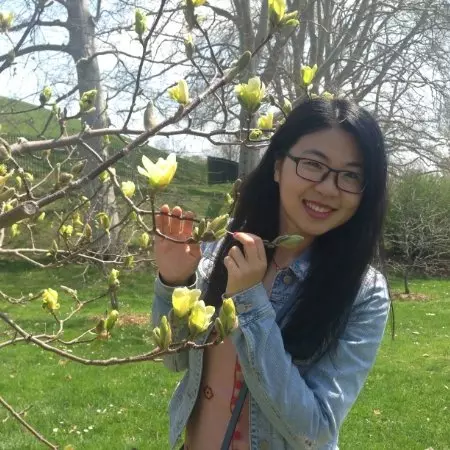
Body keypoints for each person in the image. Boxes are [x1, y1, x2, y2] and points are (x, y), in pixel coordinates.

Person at [152, 97, 391, 450]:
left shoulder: (363, 293)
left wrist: (250, 302)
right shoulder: (220, 252)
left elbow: (316, 429)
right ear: (278, 166)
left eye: (351, 175)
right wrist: (174, 282)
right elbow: (173, 360)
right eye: (313, 164)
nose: (328, 187)